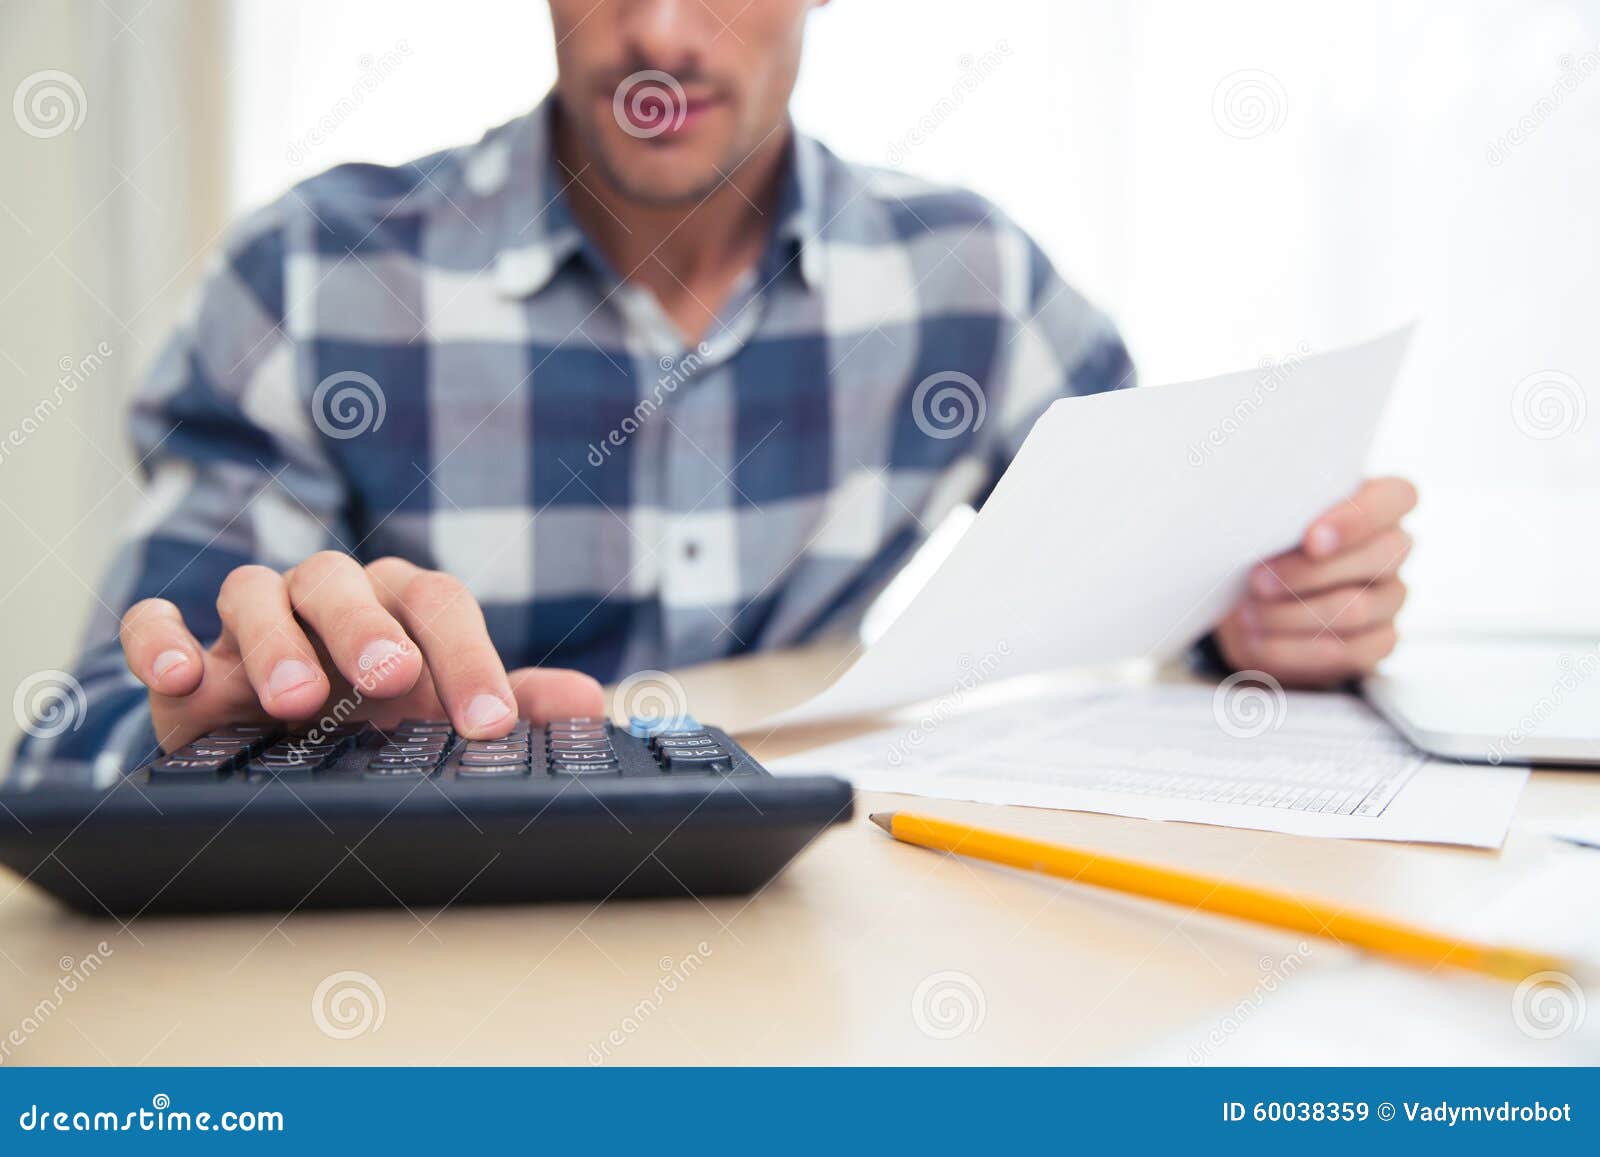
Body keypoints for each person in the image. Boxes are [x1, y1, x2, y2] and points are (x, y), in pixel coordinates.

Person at [23, 0, 1415, 772]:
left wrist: (1266, 617)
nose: (666, 34)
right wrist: (198, 742)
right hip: (433, 962)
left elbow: (1163, 581)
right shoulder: (316, 275)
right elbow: (66, 750)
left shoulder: (967, 282)